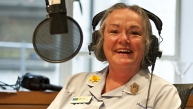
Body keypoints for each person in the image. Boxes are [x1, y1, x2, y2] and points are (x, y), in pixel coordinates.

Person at [48, 3, 181, 109]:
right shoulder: (75, 83)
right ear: (100, 40)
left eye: (134, 33)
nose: (123, 39)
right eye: (114, 31)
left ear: (149, 45)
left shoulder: (163, 93)